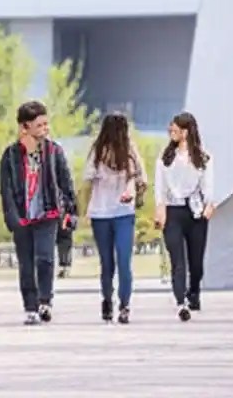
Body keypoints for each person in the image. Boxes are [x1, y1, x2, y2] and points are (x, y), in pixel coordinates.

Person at [0, 101, 76, 326]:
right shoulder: (11, 155)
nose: (45, 128)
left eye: (46, 124)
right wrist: (13, 218)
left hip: (47, 213)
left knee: (45, 258)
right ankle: (30, 307)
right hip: (22, 217)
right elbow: (5, 190)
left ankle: (45, 301)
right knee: (26, 263)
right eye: (39, 125)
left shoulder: (54, 152)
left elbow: (66, 183)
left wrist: (70, 211)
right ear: (25, 127)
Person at [80, 112, 145, 324]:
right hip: (102, 213)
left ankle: (123, 304)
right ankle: (108, 300)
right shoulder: (97, 152)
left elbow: (142, 178)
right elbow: (87, 179)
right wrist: (85, 210)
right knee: (109, 262)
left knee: (121, 261)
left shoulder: (130, 151)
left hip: (122, 213)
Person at [154, 112, 214, 322]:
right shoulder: (164, 159)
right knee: (177, 260)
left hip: (195, 212)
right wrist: (159, 209)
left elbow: (208, 186)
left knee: (196, 263)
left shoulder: (203, 157)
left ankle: (194, 291)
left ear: (185, 132)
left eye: (175, 128)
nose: (171, 131)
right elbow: (159, 188)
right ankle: (181, 303)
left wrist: (209, 205)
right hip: (173, 211)